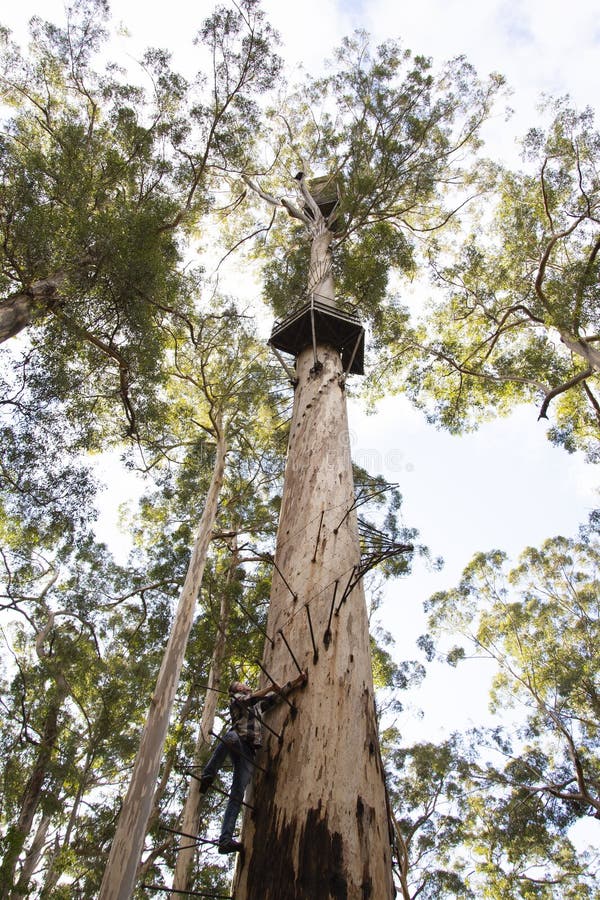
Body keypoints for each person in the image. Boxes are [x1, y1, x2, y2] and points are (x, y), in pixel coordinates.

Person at [199, 670, 308, 854]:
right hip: (237, 739)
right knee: (229, 738)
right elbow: (248, 700)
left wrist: (297, 681)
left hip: (249, 752)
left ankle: (225, 840)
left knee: (237, 794)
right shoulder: (236, 701)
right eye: (237, 686)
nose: (241, 686)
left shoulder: (257, 706)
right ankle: (208, 774)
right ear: (234, 692)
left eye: (241, 684)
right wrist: (267, 688)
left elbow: (276, 697)